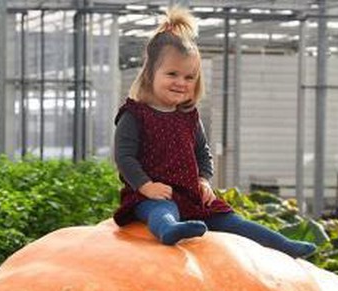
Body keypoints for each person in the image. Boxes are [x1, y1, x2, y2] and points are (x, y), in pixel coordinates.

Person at [112, 6, 317, 259]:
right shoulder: (135, 114)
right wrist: (146, 186)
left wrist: (203, 181)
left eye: (189, 77)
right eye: (172, 74)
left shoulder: (188, 116)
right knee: (161, 211)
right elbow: (124, 157)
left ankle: (285, 245)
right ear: (149, 74)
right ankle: (170, 231)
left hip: (191, 195)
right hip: (151, 196)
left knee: (234, 222)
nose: (181, 82)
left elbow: (202, 153)